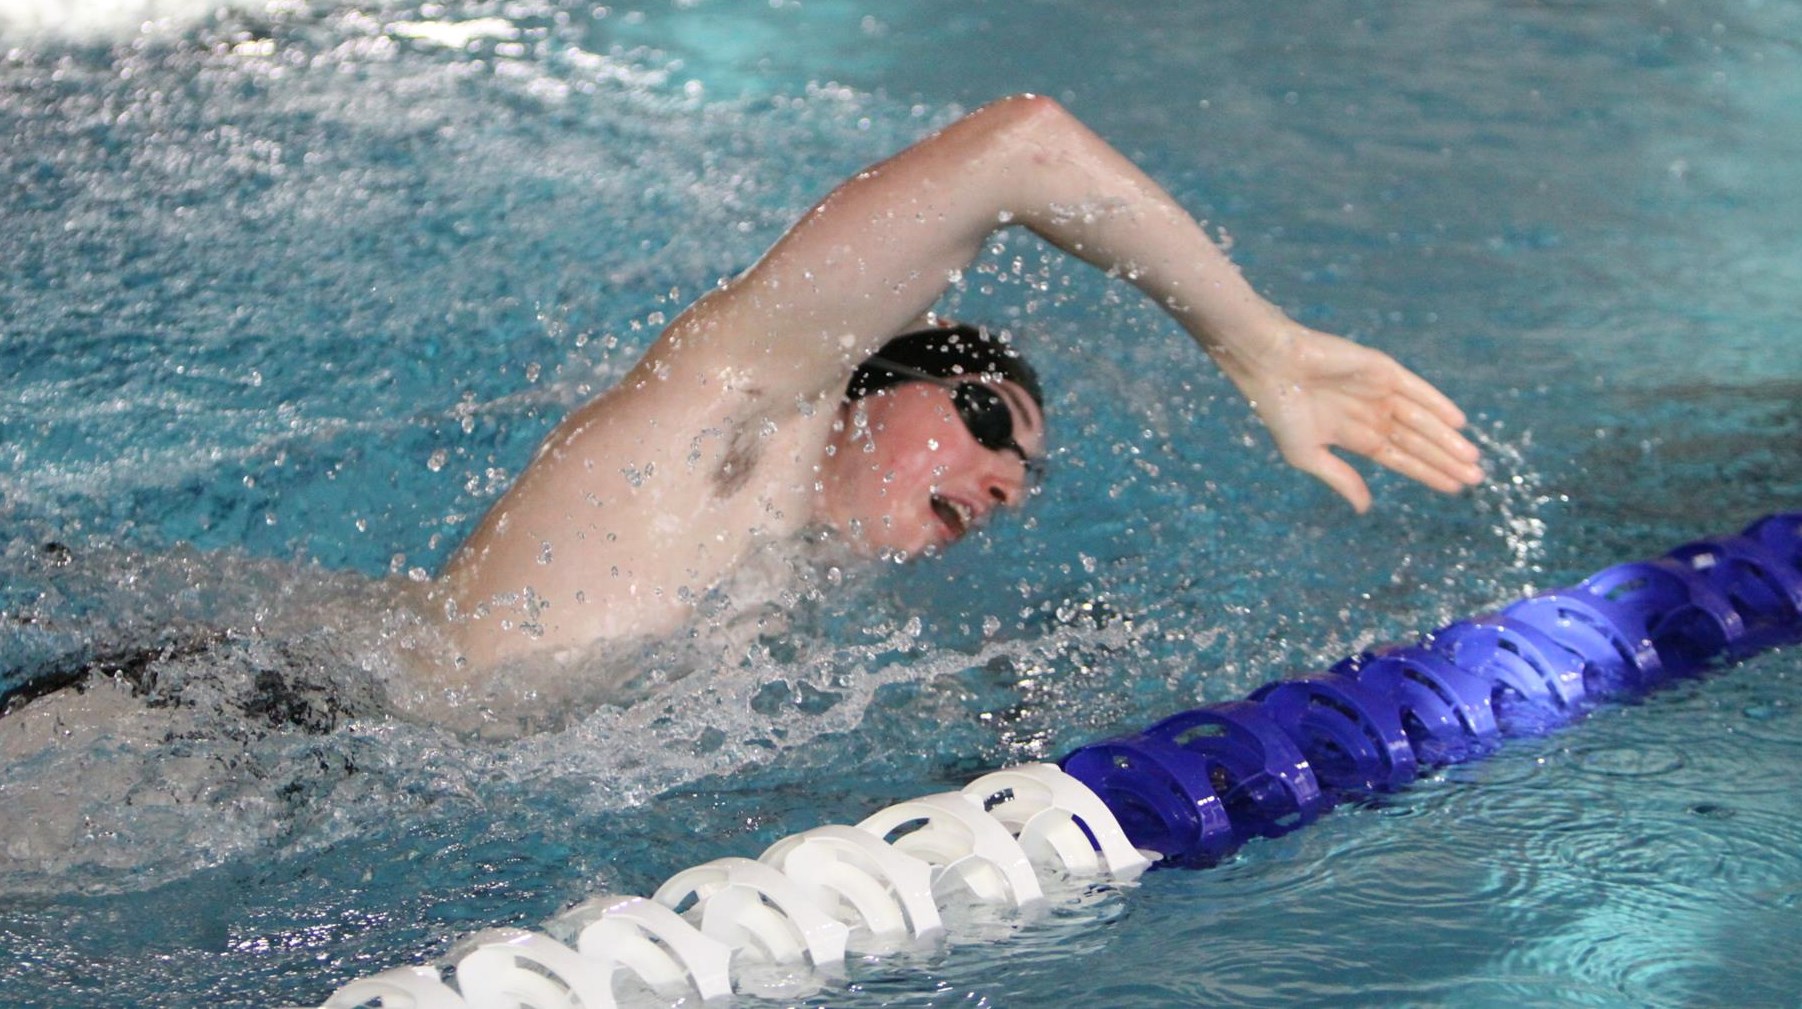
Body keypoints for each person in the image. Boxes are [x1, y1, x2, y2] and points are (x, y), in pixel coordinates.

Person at [433, 94, 1484, 671]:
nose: (1001, 483)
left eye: (1021, 473)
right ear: (858, 380)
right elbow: (1020, 148)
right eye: (984, 419)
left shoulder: (787, 596)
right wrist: (1259, 346)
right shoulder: (732, 406)